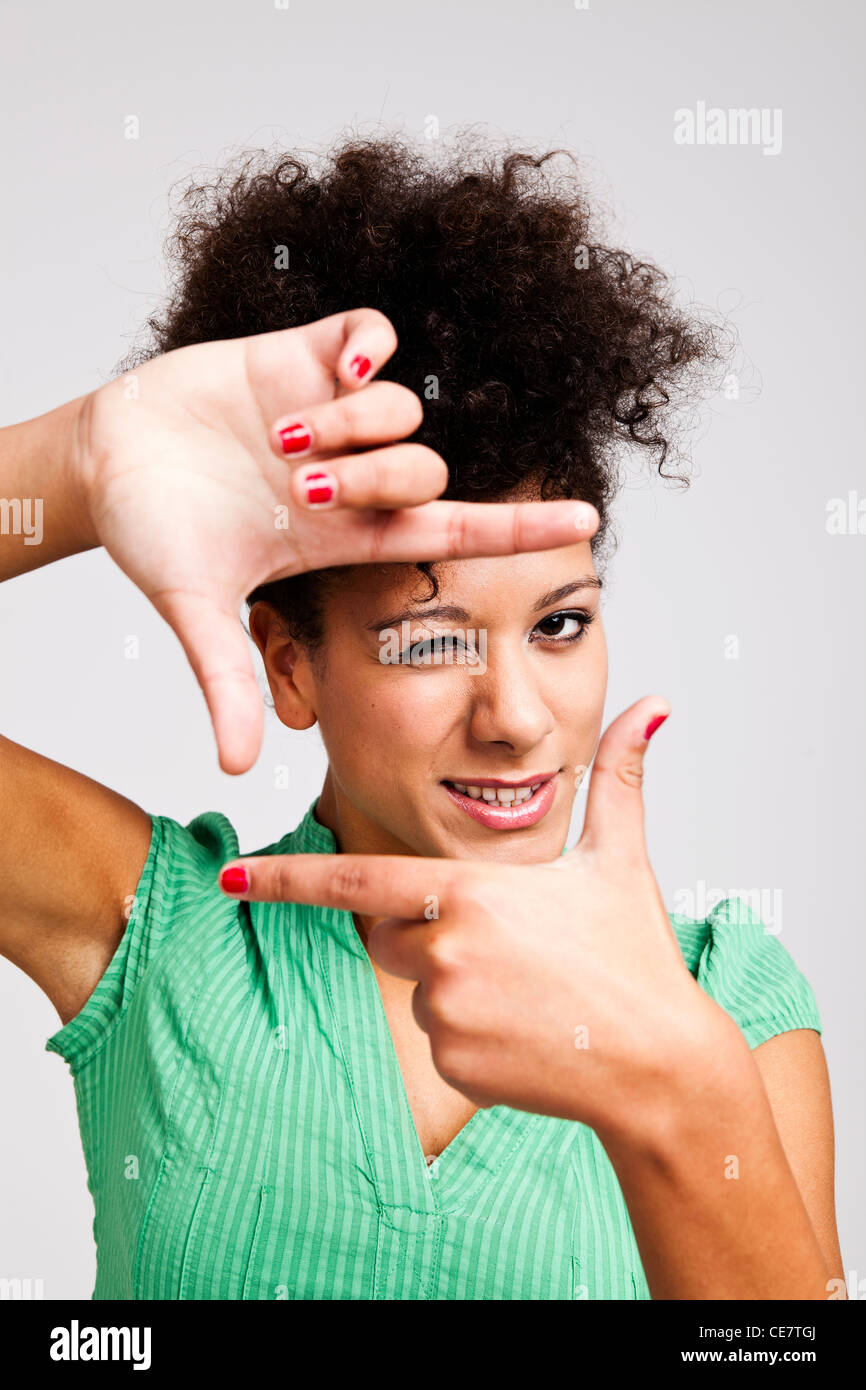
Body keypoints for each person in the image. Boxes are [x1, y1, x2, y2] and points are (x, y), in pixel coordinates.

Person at [0, 134, 843, 1300]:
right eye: (432, 639)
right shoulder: (157, 933)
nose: (516, 719)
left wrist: (679, 1091)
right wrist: (72, 466)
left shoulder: (726, 1001)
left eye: (558, 624)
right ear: (290, 667)